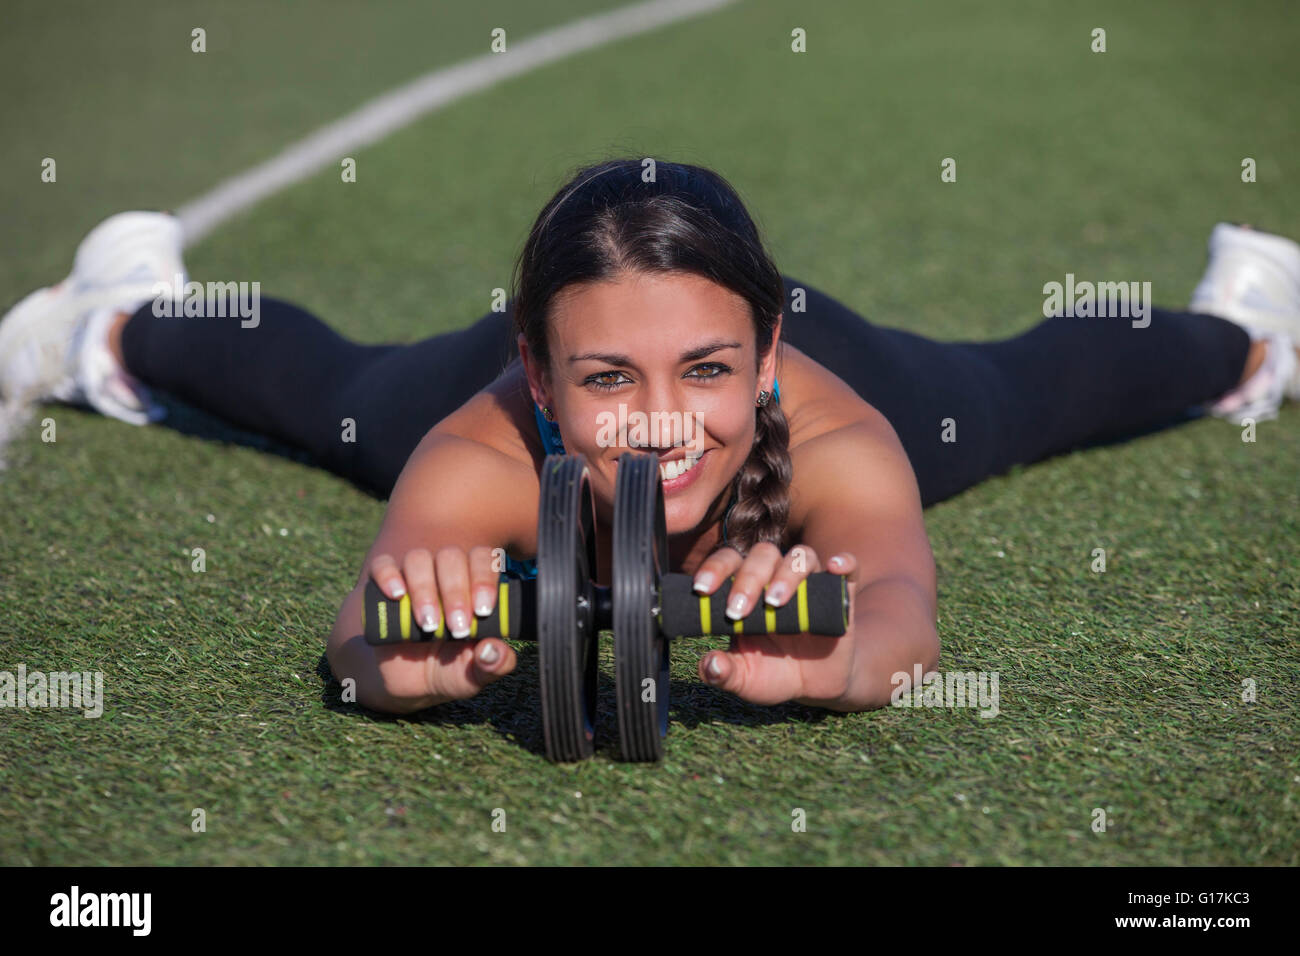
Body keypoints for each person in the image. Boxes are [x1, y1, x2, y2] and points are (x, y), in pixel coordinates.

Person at [2, 158, 1297, 717]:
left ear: (766, 353)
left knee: (1019, 393)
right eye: (615, 378)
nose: (667, 417)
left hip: (837, 368)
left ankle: (1244, 329)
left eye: (708, 374)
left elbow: (901, 605)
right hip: (494, 378)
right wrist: (402, 665)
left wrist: (841, 659)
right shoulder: (484, 444)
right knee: (334, 393)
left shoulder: (844, 433)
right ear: (543, 369)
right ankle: (118, 325)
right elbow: (358, 634)